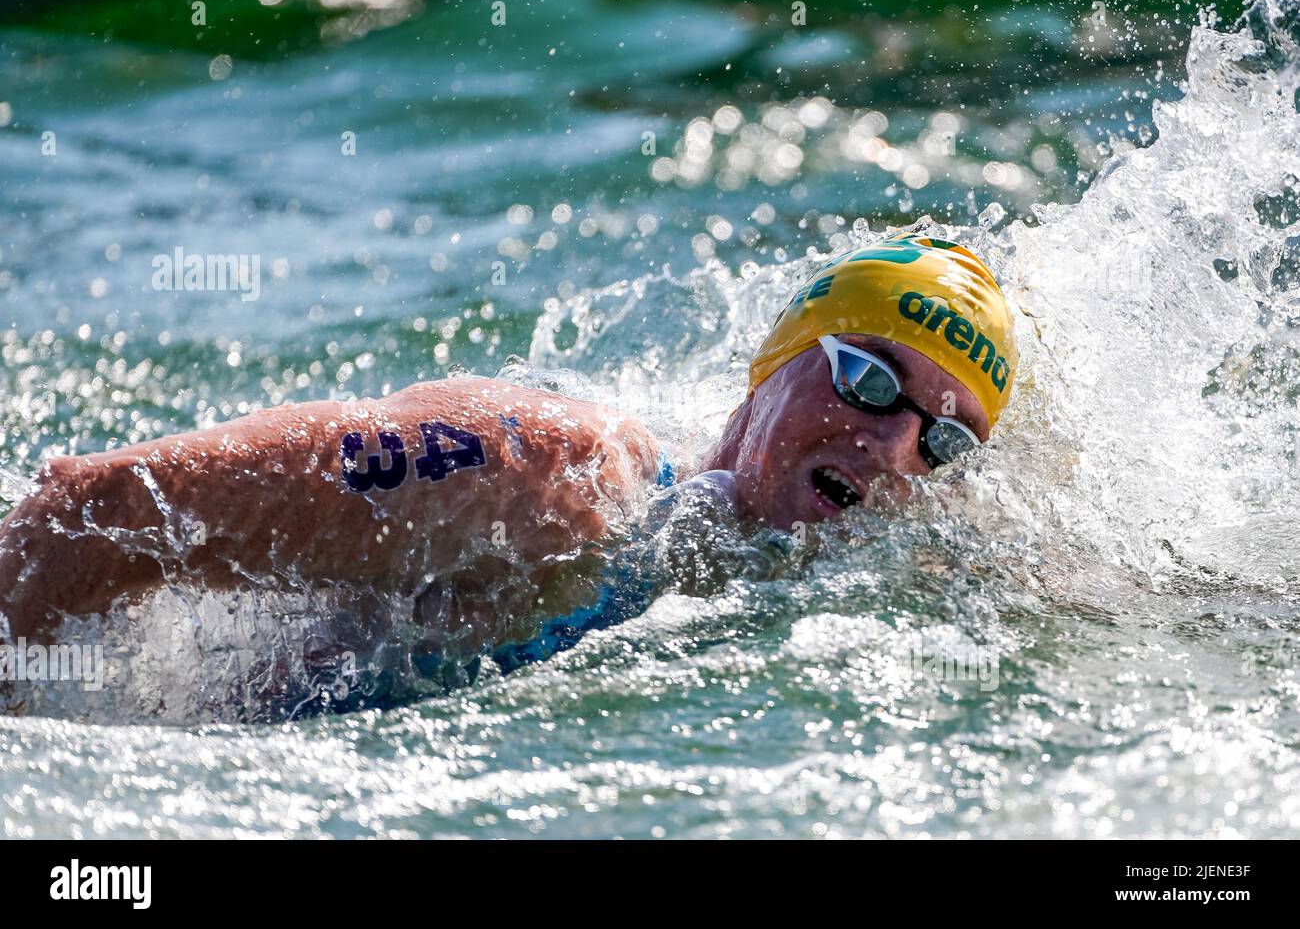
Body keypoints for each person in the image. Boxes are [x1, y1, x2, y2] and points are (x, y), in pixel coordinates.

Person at [0, 230, 1018, 673]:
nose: (890, 443)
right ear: (775, 362)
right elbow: (110, 503)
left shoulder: (838, 604)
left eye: (946, 438)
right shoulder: (543, 473)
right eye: (868, 377)